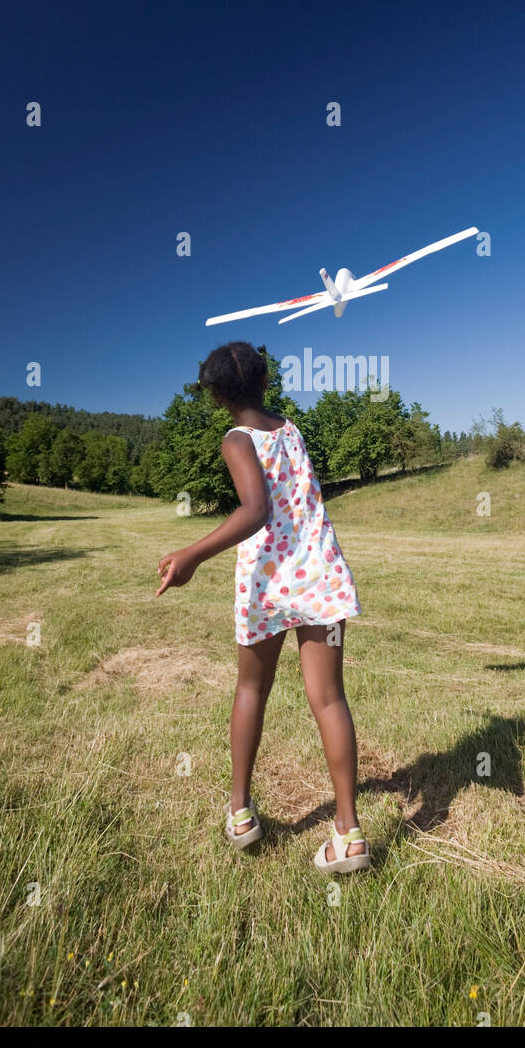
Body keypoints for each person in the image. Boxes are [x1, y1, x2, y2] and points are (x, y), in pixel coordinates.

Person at [156, 342, 369, 874]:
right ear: (263, 381)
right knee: (328, 698)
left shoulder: (236, 439)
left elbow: (255, 511)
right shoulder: (290, 429)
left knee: (252, 688)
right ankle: (349, 834)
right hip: (319, 576)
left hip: (270, 586)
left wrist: (192, 555)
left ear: (218, 394)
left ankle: (241, 814)